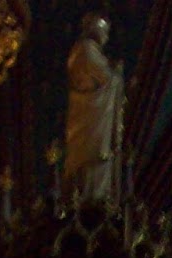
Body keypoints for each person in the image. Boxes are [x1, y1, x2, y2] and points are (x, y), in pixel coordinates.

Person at [63, 12, 124, 204]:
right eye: (104, 31)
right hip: (91, 121)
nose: (106, 36)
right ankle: (91, 198)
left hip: (95, 118)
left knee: (98, 162)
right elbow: (107, 77)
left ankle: (98, 197)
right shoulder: (86, 50)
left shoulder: (88, 51)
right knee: (93, 159)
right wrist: (117, 73)